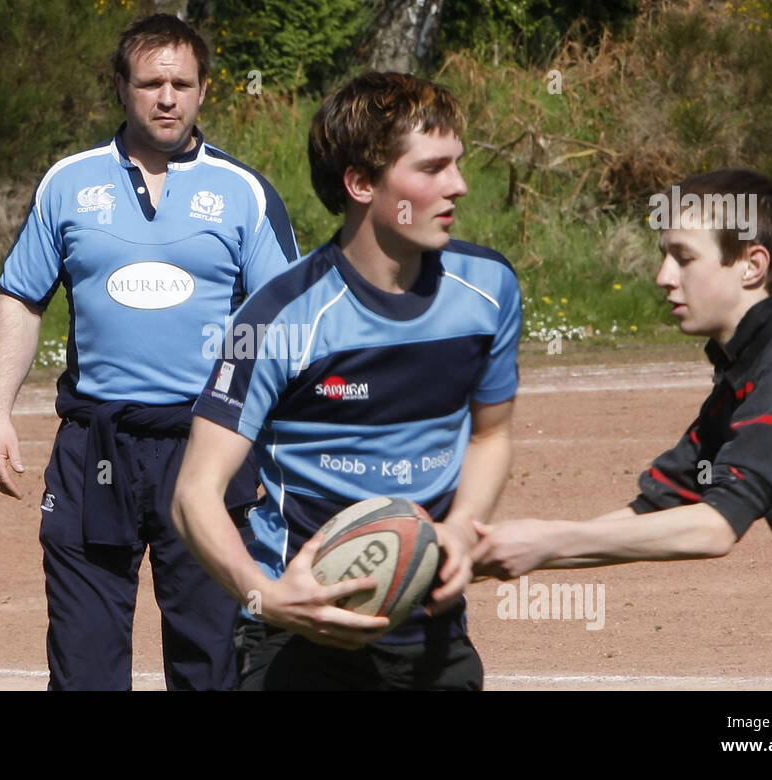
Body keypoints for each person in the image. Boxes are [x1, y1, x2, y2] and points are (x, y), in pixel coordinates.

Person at [472, 168, 772, 690]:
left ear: (751, 265)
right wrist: (474, 559)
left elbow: (714, 527)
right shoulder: (743, 383)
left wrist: (548, 542)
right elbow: (652, 511)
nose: (662, 276)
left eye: (683, 257)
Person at [0, 14, 299, 691]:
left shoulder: (242, 192)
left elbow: (280, 321)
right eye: (151, 82)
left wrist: (261, 429)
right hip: (95, 447)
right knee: (83, 662)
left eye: (181, 83)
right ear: (121, 87)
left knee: (212, 662)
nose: (166, 97)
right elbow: (20, 298)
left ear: (204, 91)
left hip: (206, 448)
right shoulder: (68, 182)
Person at [171, 71, 521, 690]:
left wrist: (463, 530)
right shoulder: (279, 317)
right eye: (432, 168)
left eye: (457, 165)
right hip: (300, 641)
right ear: (361, 183)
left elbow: (490, 435)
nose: (458, 187)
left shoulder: (488, 288)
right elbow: (194, 493)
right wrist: (267, 599)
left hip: (431, 632)